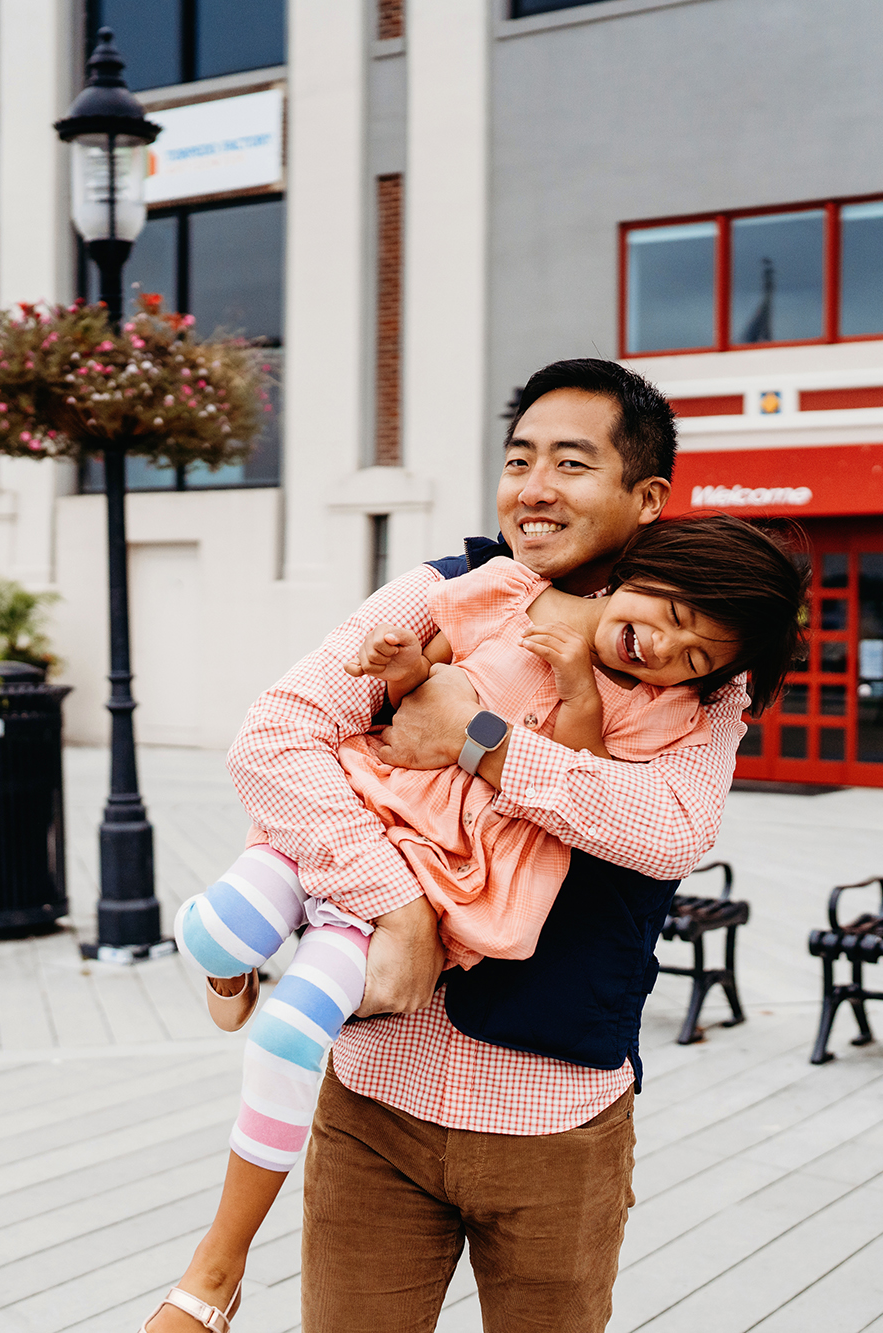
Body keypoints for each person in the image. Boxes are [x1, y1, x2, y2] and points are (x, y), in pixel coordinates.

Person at [142, 358, 758, 1332]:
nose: (535, 487)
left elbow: (667, 828)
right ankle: (217, 1251)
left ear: (646, 497)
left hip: (554, 1121)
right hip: (374, 1106)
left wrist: (478, 740)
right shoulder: (449, 587)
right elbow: (276, 732)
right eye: (519, 460)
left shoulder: (696, 656)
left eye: (571, 463)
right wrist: (399, 907)